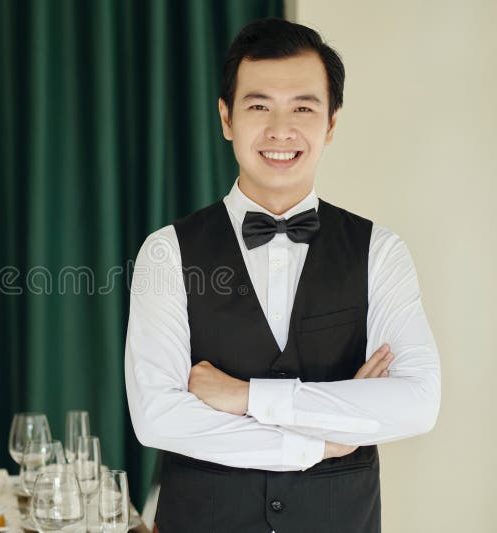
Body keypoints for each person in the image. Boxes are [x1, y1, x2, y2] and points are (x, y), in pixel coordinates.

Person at [124, 18, 440, 533]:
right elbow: (157, 416)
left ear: (331, 124)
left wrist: (246, 397)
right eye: (258, 106)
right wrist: (316, 442)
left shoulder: (380, 251)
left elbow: (417, 403)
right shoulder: (165, 252)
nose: (279, 129)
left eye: (303, 108)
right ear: (226, 118)